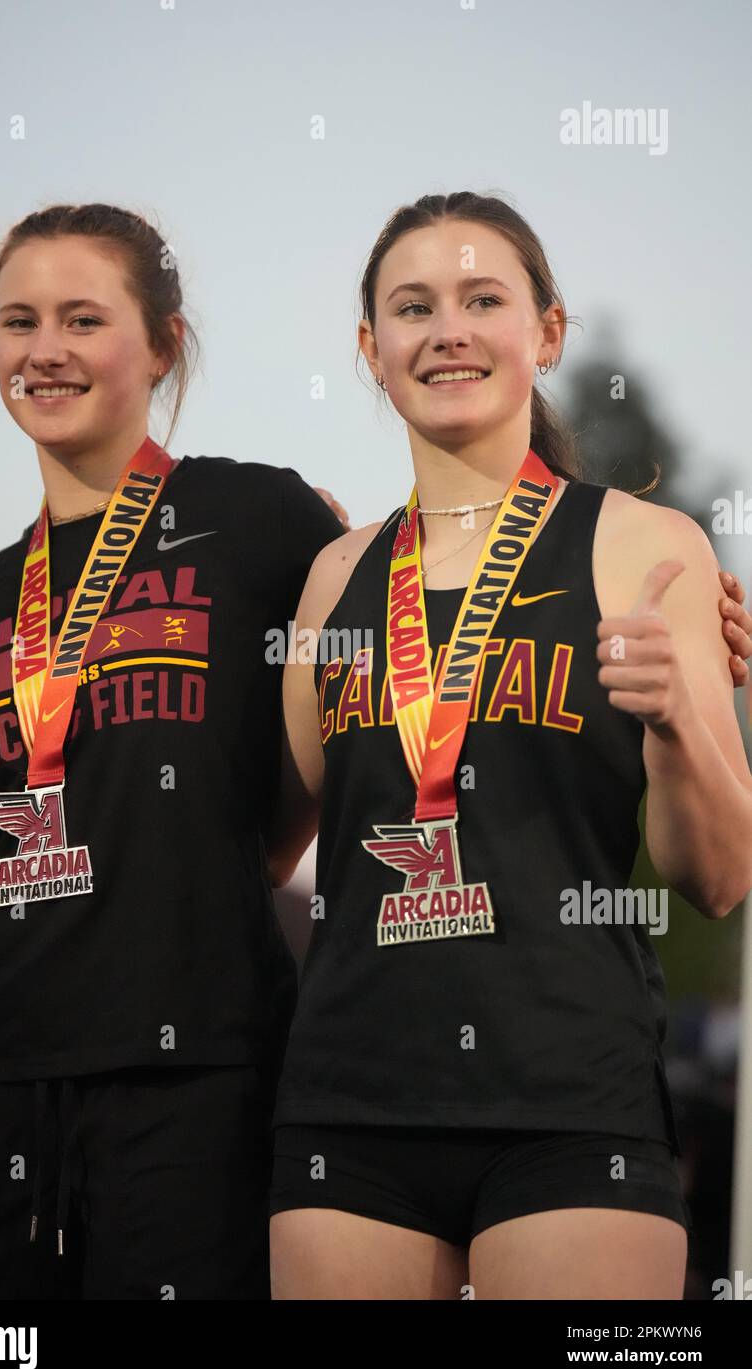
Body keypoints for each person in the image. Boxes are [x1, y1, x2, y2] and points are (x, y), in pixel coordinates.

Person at [267, 191, 752, 1300]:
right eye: (412, 305)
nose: (448, 329)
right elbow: (268, 833)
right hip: (348, 1100)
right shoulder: (334, 577)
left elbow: (718, 877)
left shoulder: (641, 546)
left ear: (545, 332)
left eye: (482, 298)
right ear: (369, 349)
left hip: (570, 1102)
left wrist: (676, 719)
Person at [0, 201, 346, 1299]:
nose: (43, 350)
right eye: (17, 321)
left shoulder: (260, 515)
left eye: (82, 319)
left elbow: (422, 643)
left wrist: (641, 590)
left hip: (188, 1077)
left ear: (161, 345)